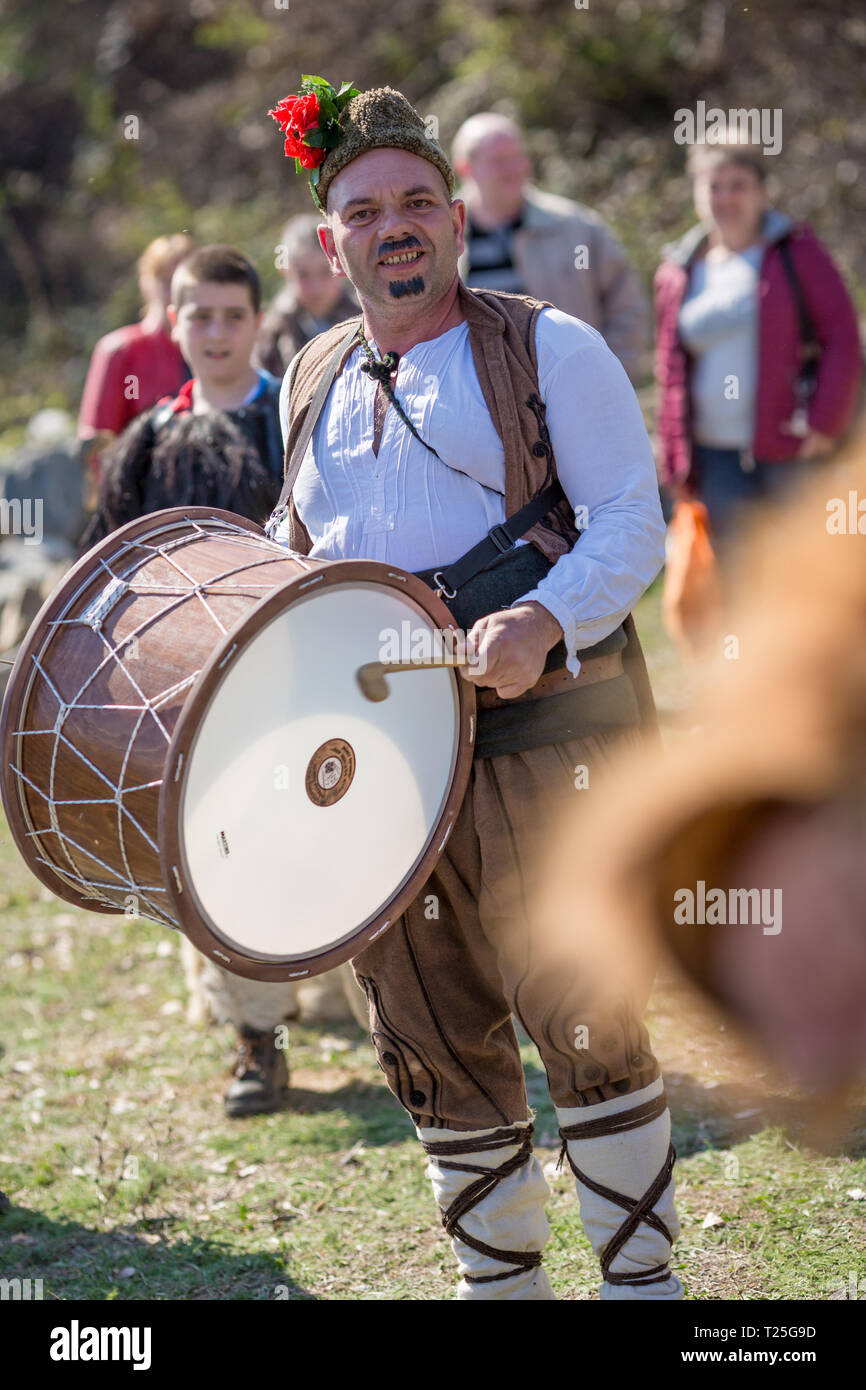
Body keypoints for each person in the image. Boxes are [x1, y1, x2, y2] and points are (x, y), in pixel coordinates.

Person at [265, 75, 680, 1300]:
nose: (392, 225)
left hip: (543, 737)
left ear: (453, 217)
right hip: (384, 770)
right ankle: (500, 1289)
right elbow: (288, 549)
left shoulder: (550, 343)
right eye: (362, 209)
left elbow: (627, 520)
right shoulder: (309, 382)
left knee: (588, 1018)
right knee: (430, 1033)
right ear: (331, 240)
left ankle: (641, 1290)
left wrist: (544, 618)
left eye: (413, 201)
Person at [81, 243, 363, 1116]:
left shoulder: (304, 420)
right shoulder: (146, 443)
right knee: (217, 855)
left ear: (257, 321)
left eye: (232, 315)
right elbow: (110, 568)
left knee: (335, 841)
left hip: (303, 672)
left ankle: (380, 1014)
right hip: (189, 701)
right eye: (197, 314)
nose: (215, 331)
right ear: (173, 322)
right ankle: (257, 1048)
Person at [655, 139, 862, 539]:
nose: (726, 197)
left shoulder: (796, 252)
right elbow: (669, 369)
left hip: (793, 451)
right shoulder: (678, 269)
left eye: (738, 185)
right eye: (714, 186)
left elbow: (842, 337)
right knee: (739, 584)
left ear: (762, 193)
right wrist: (675, 456)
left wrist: (825, 425)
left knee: (806, 573)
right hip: (715, 458)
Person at [452, 112, 649, 382]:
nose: (513, 169)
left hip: (573, 395)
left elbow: (628, 306)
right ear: (465, 168)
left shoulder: (576, 227)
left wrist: (607, 376)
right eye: (499, 161)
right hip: (481, 406)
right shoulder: (443, 237)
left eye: (518, 157)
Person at [77, 234, 195, 479]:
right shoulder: (120, 350)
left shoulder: (212, 346)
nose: (172, 290)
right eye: (164, 279)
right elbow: (97, 443)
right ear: (145, 283)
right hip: (142, 498)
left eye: (180, 280)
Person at [256, 213, 358, 377]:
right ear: (285, 272)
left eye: (325, 272)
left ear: (340, 264)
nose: (316, 287)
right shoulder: (272, 331)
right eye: (303, 275)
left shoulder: (363, 320)